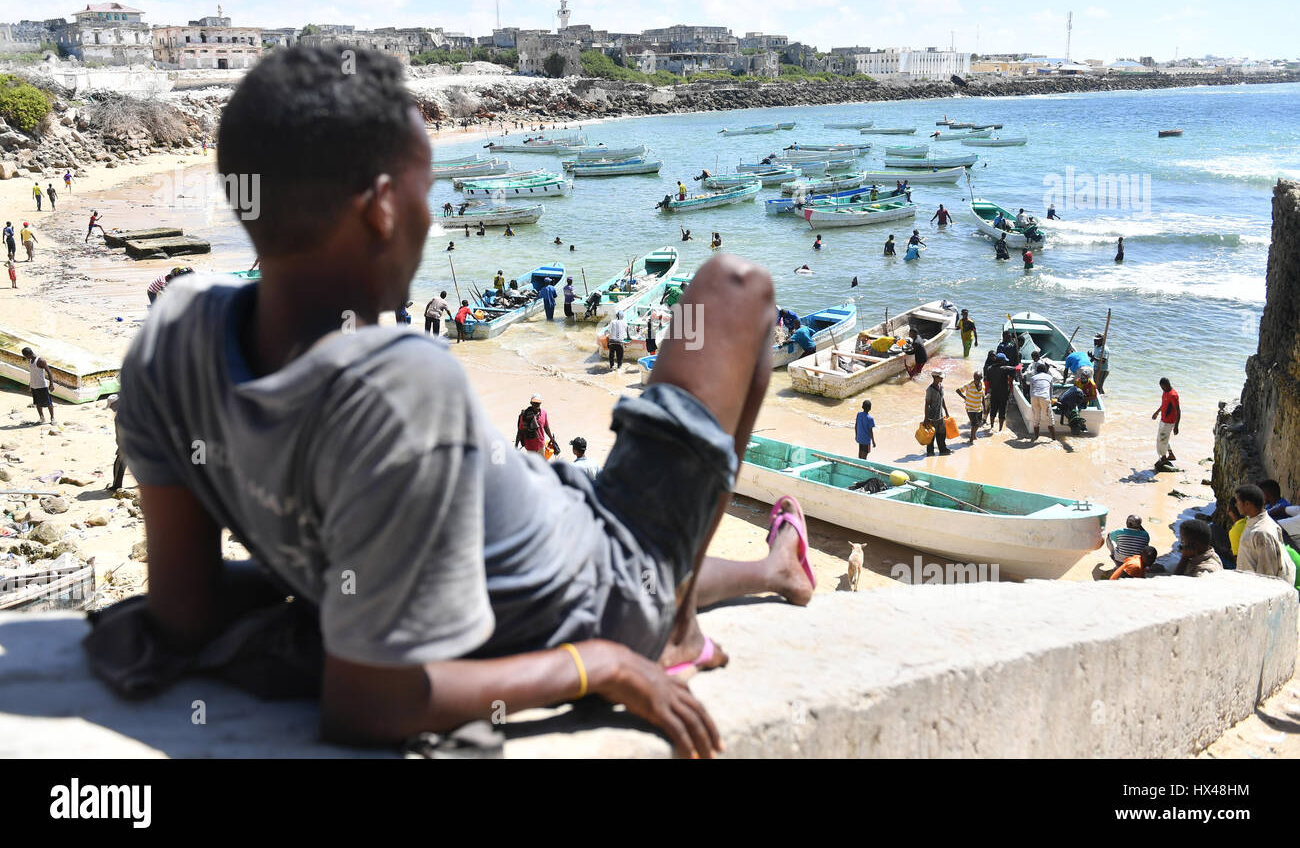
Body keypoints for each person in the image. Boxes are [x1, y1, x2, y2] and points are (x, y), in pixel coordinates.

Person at [114, 45, 820, 759]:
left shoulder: (171, 339)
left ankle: (771, 569)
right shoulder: (398, 387)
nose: (432, 221)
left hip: (551, 509)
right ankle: (674, 628)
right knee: (738, 286)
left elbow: (185, 611)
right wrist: (598, 665)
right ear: (383, 209)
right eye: (426, 192)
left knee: (587, 495)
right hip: (606, 588)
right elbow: (371, 705)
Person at [1234, 483, 1296, 586]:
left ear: (1248, 504)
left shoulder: (1262, 532)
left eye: (1238, 502)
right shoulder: (1256, 522)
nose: (1236, 505)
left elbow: (1267, 574)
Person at [21, 347, 55, 425]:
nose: (25, 358)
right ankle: (42, 418)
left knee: (48, 403)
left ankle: (52, 418)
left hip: (42, 385)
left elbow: (49, 372)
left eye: (25, 356)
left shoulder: (40, 360)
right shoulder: (30, 360)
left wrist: (51, 384)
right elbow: (32, 373)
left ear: (29, 354)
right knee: (37, 403)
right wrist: (30, 383)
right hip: (34, 385)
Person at [1152, 377, 1180, 468]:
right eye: (1161, 387)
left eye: (1163, 387)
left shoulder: (1173, 395)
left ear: (1167, 385)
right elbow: (1164, 404)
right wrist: (1157, 412)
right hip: (1163, 419)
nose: (1162, 389)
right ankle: (1170, 454)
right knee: (1162, 438)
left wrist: (1176, 426)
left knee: (1161, 440)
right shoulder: (1165, 392)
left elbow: (1178, 411)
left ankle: (1163, 458)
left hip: (1169, 422)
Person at [1028, 361, 1057, 441]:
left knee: (1036, 418)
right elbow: (1051, 391)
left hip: (1034, 397)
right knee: (1050, 419)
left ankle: (1035, 438)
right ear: (1046, 371)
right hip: (1044, 397)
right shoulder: (1049, 377)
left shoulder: (1033, 378)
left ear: (1037, 371)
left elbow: (1031, 391)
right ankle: (1053, 440)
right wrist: (1050, 402)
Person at [924, 370, 950, 457]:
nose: (942, 378)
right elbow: (927, 404)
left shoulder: (941, 386)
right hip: (932, 417)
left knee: (942, 434)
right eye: (940, 377)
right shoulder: (929, 390)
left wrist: (946, 411)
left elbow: (942, 399)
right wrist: (926, 419)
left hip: (940, 416)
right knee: (931, 436)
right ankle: (930, 452)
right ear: (935, 378)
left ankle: (942, 450)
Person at [986, 353, 1014, 432]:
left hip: (993, 393)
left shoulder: (989, 368)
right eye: (1004, 361)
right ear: (1001, 361)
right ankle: (1000, 430)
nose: (1005, 362)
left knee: (993, 410)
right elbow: (1017, 369)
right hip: (1003, 394)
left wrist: (988, 391)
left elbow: (987, 382)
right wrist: (1020, 365)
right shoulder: (1004, 368)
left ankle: (991, 427)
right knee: (1002, 412)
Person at [957, 371, 985, 442]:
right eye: (975, 378)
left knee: (979, 423)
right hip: (970, 408)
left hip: (978, 408)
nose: (976, 380)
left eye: (978, 379)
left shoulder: (982, 385)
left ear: (981, 378)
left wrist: (984, 407)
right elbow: (958, 390)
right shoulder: (969, 384)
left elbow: (983, 397)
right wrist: (964, 397)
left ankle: (974, 435)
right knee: (974, 423)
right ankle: (971, 439)